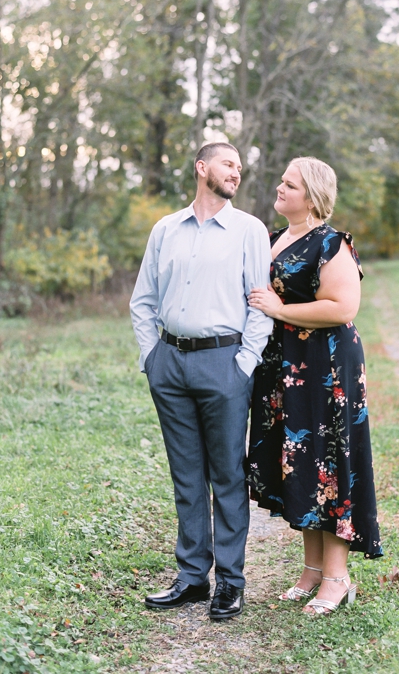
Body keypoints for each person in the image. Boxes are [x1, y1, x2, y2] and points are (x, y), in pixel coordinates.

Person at [130, 141, 273, 621]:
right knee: (186, 474)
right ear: (202, 168)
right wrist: (151, 357)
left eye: (239, 167)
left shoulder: (249, 230)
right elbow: (143, 300)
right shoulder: (165, 229)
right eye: (228, 164)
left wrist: (245, 362)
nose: (237, 172)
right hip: (169, 362)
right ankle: (192, 576)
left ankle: (230, 582)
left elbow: (261, 303)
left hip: (224, 363)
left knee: (227, 475)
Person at [245, 156, 382, 615]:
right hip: (283, 368)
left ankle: (337, 578)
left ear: (313, 196)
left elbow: (343, 307)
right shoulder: (272, 237)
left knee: (328, 466)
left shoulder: (330, 243)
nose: (279, 188)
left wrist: (278, 309)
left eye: (290, 185)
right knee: (297, 464)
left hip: (326, 370)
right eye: (282, 181)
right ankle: (311, 570)